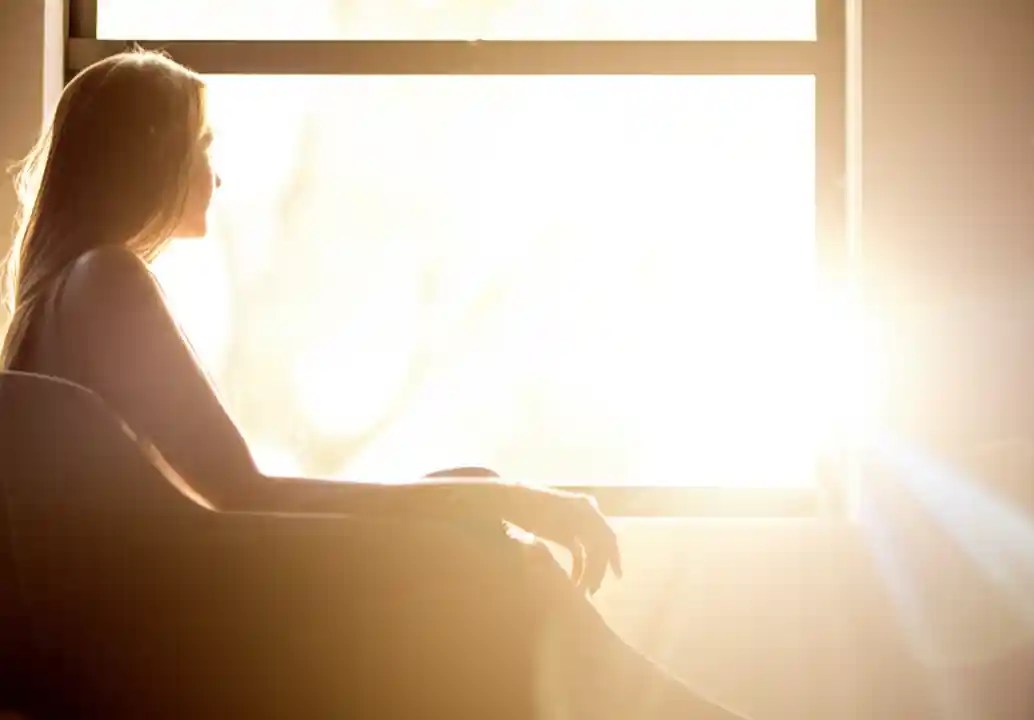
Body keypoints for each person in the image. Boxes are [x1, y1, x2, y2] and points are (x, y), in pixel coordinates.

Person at [0, 50, 747, 719]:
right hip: (198, 643)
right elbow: (241, 494)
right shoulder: (106, 280)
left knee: (474, 512)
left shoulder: (45, 315)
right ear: (149, 151)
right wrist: (511, 499)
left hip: (168, 635)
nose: (217, 175)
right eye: (202, 146)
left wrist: (480, 495)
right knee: (481, 550)